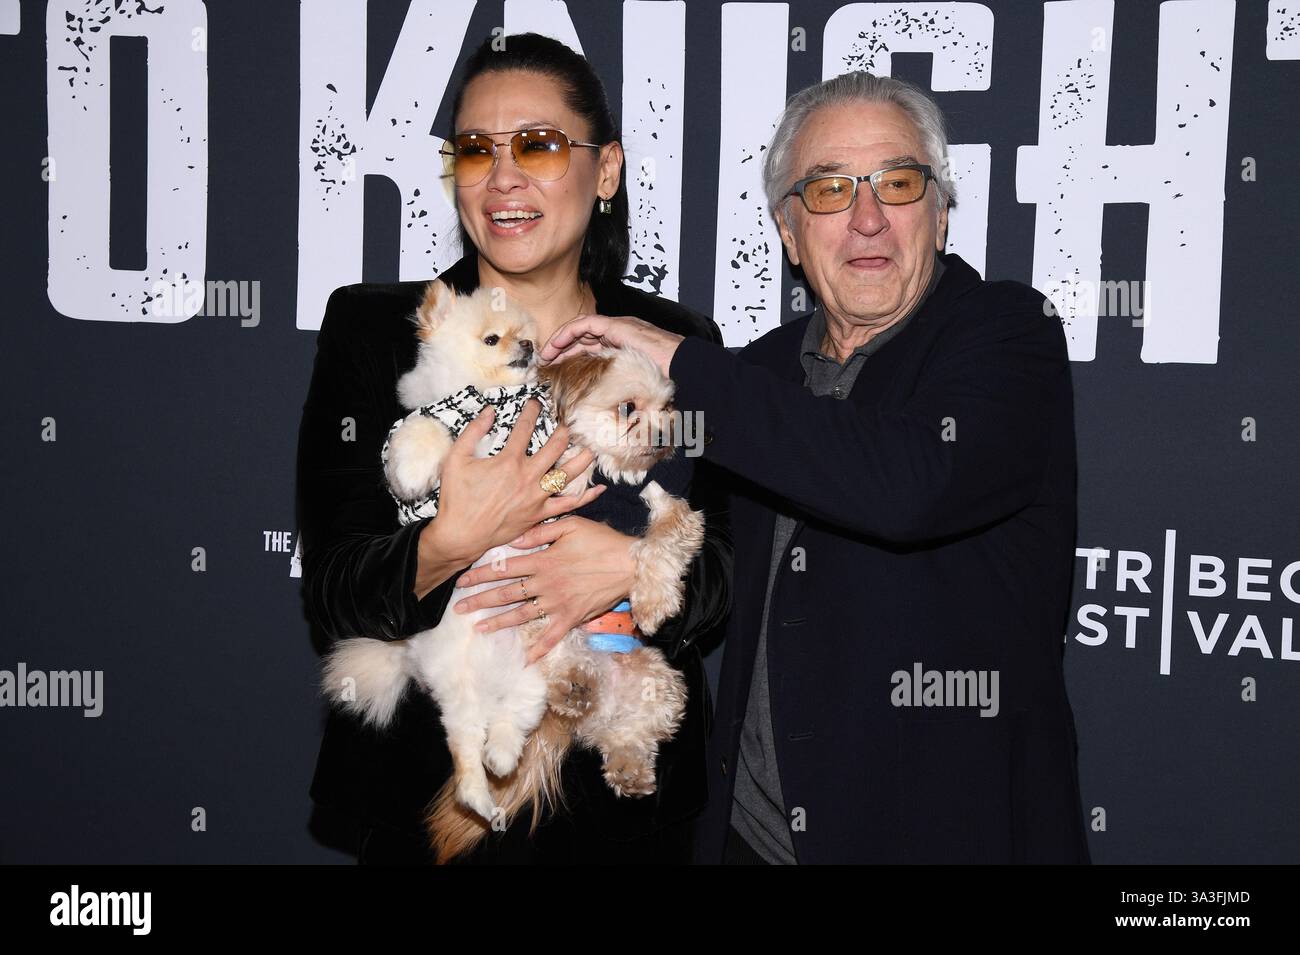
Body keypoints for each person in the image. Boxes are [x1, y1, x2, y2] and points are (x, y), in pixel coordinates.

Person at [541, 71, 1091, 864]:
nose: (868, 218)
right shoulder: (761, 372)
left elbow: (909, 485)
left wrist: (681, 358)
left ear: (939, 216)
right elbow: (677, 539)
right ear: (790, 234)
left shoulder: (1008, 336)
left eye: (898, 183)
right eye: (830, 190)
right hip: (752, 838)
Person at [295, 32, 732, 864]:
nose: (501, 177)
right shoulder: (375, 329)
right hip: (431, 806)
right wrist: (453, 539)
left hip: (622, 809)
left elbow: (720, 576)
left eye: (536, 144)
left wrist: (621, 565)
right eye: (474, 150)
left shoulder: (676, 340)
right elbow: (339, 593)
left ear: (605, 172)